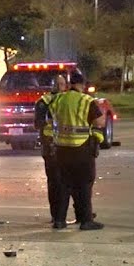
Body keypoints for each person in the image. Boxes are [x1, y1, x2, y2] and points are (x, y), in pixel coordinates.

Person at [49, 71, 105, 230]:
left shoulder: (59, 99)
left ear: (69, 84)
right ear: (82, 85)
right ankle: (86, 220)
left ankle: (59, 220)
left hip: (61, 149)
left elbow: (50, 116)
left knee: (64, 185)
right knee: (84, 185)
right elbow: (99, 120)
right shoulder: (86, 100)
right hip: (81, 149)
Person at [34, 74, 68, 227]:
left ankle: (58, 216)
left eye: (62, 83)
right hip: (55, 145)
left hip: (55, 145)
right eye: (59, 84)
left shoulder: (44, 101)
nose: (61, 86)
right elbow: (39, 123)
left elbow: (37, 124)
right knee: (60, 182)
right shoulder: (47, 102)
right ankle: (59, 216)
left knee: (56, 182)